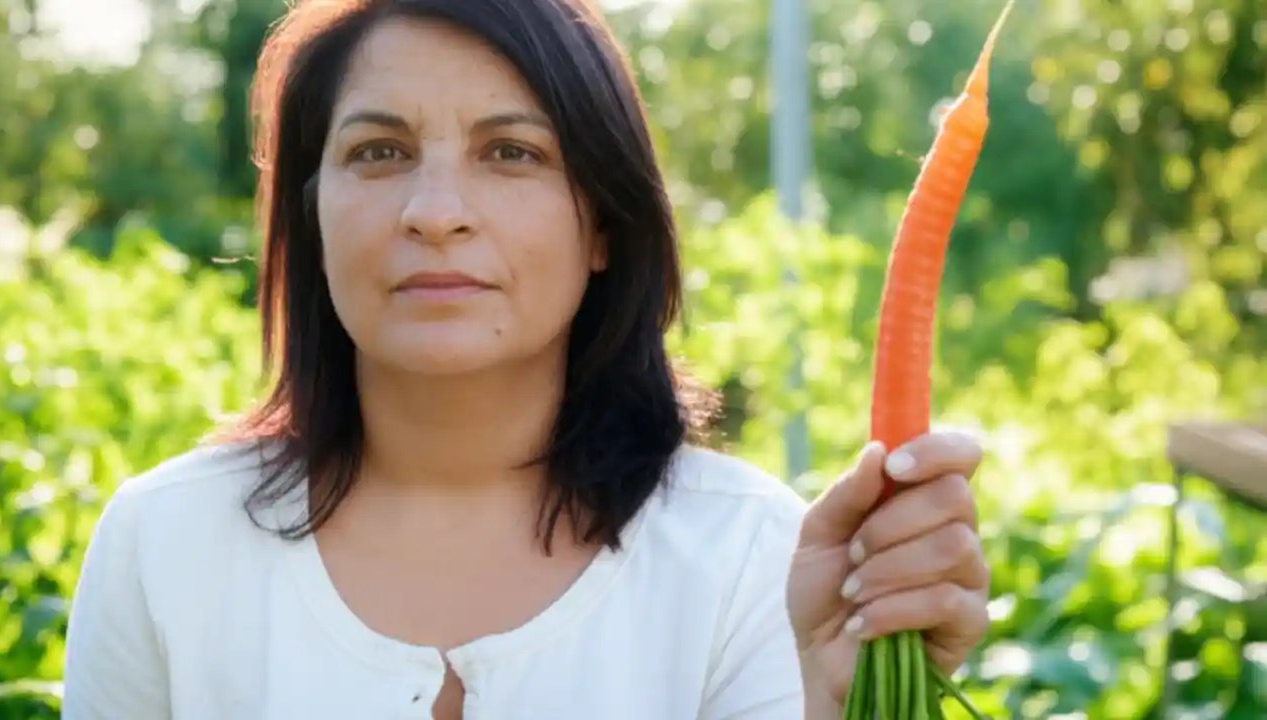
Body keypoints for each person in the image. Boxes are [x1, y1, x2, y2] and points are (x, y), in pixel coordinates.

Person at [60, 1, 990, 718]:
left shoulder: (751, 558)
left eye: (510, 152)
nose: (434, 210)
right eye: (378, 151)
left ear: (603, 225)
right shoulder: (165, 544)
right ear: (310, 214)